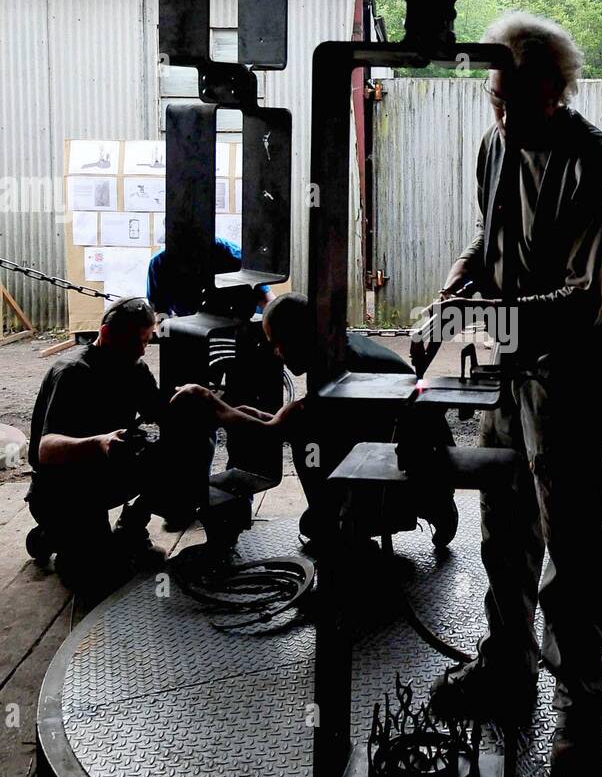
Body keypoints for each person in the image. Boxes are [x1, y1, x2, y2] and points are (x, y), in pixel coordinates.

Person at [428, 11, 602, 777]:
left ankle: (581, 703)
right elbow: (488, 236)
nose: (499, 114)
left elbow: (585, 298)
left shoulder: (596, 162)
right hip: (505, 368)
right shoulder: (494, 147)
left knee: (572, 545)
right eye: (491, 98)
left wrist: (477, 324)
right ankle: (507, 668)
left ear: (553, 88)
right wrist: (458, 282)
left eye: (511, 98)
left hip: (570, 376)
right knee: (503, 527)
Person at [175, 293, 459, 550]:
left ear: (296, 336)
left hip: (415, 471)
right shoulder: (336, 347)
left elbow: (275, 429)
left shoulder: (340, 366)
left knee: (307, 443)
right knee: (308, 435)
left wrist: (206, 399)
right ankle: (410, 509)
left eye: (278, 343)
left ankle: (380, 517)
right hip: (413, 456)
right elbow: (289, 416)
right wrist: (232, 408)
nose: (276, 353)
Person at [25, 297, 212, 601]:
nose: (142, 349)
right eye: (137, 341)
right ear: (108, 334)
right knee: (98, 580)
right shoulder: (73, 372)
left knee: (181, 447)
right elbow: (46, 450)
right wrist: (98, 442)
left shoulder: (134, 368)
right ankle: (53, 536)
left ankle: (130, 529)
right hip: (63, 489)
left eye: (147, 340)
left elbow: (162, 414)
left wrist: (195, 398)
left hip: (105, 474)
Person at [146, 237, 270, 318]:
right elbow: (161, 314)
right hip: (191, 322)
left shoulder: (231, 255)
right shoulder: (159, 264)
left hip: (238, 323)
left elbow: (266, 300)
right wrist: (168, 343)